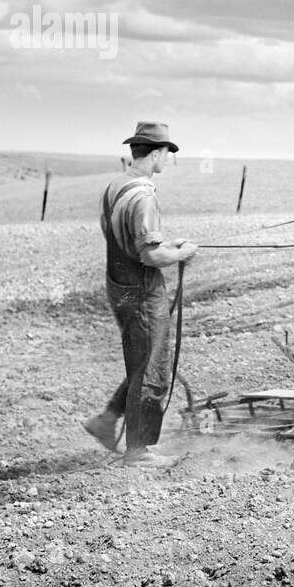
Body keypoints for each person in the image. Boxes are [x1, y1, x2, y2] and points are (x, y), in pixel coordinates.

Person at [83, 122, 198, 468]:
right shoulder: (145, 195)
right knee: (153, 370)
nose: (168, 160)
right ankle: (139, 451)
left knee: (139, 362)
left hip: (118, 285)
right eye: (167, 153)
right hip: (144, 291)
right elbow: (150, 256)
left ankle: (105, 421)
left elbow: (129, 239)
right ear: (158, 153)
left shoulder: (116, 185)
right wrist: (180, 253)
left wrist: (165, 243)